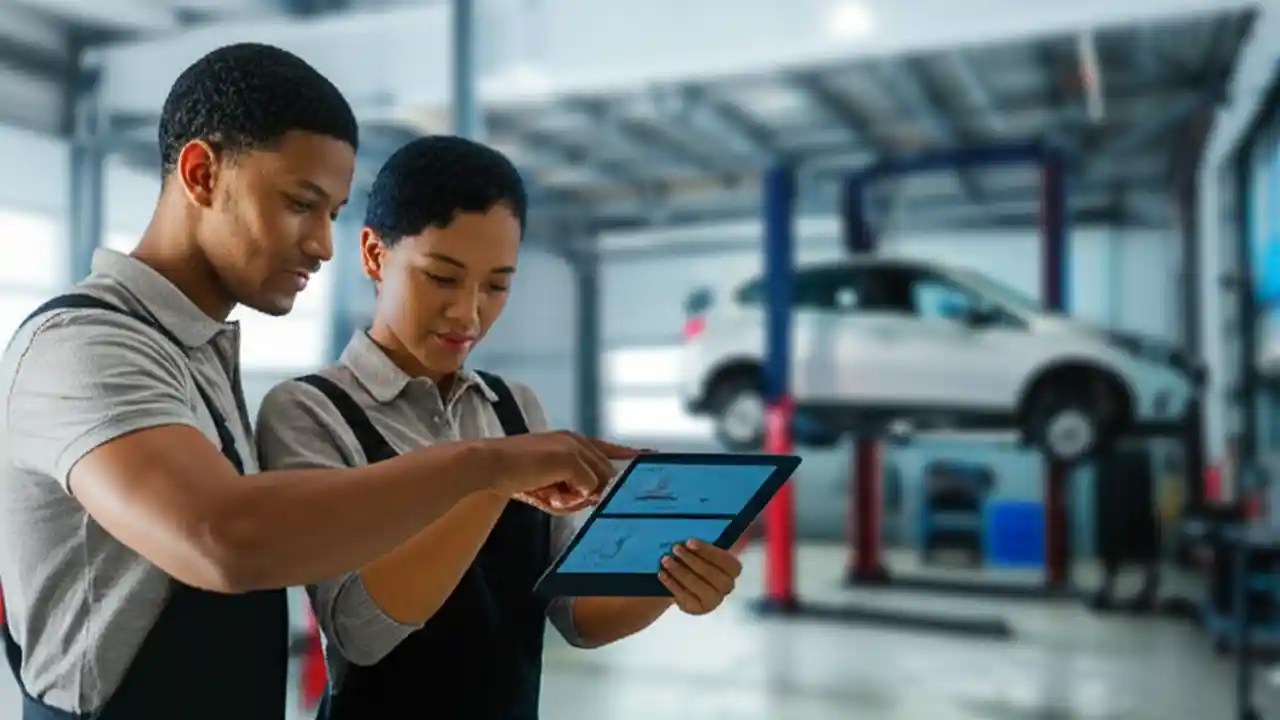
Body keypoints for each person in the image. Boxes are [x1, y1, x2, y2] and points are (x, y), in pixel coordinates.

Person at [0, 44, 629, 720]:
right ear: (202, 173)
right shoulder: (86, 346)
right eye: (301, 204)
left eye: (332, 212)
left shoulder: (196, 355)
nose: (323, 244)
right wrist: (484, 466)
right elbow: (222, 539)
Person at [254, 135, 746, 720]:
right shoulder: (309, 413)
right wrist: (490, 476)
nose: (468, 313)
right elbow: (360, 631)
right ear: (373, 254)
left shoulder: (515, 409)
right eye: (441, 277)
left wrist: (670, 577)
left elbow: (575, 615)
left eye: (496, 285)